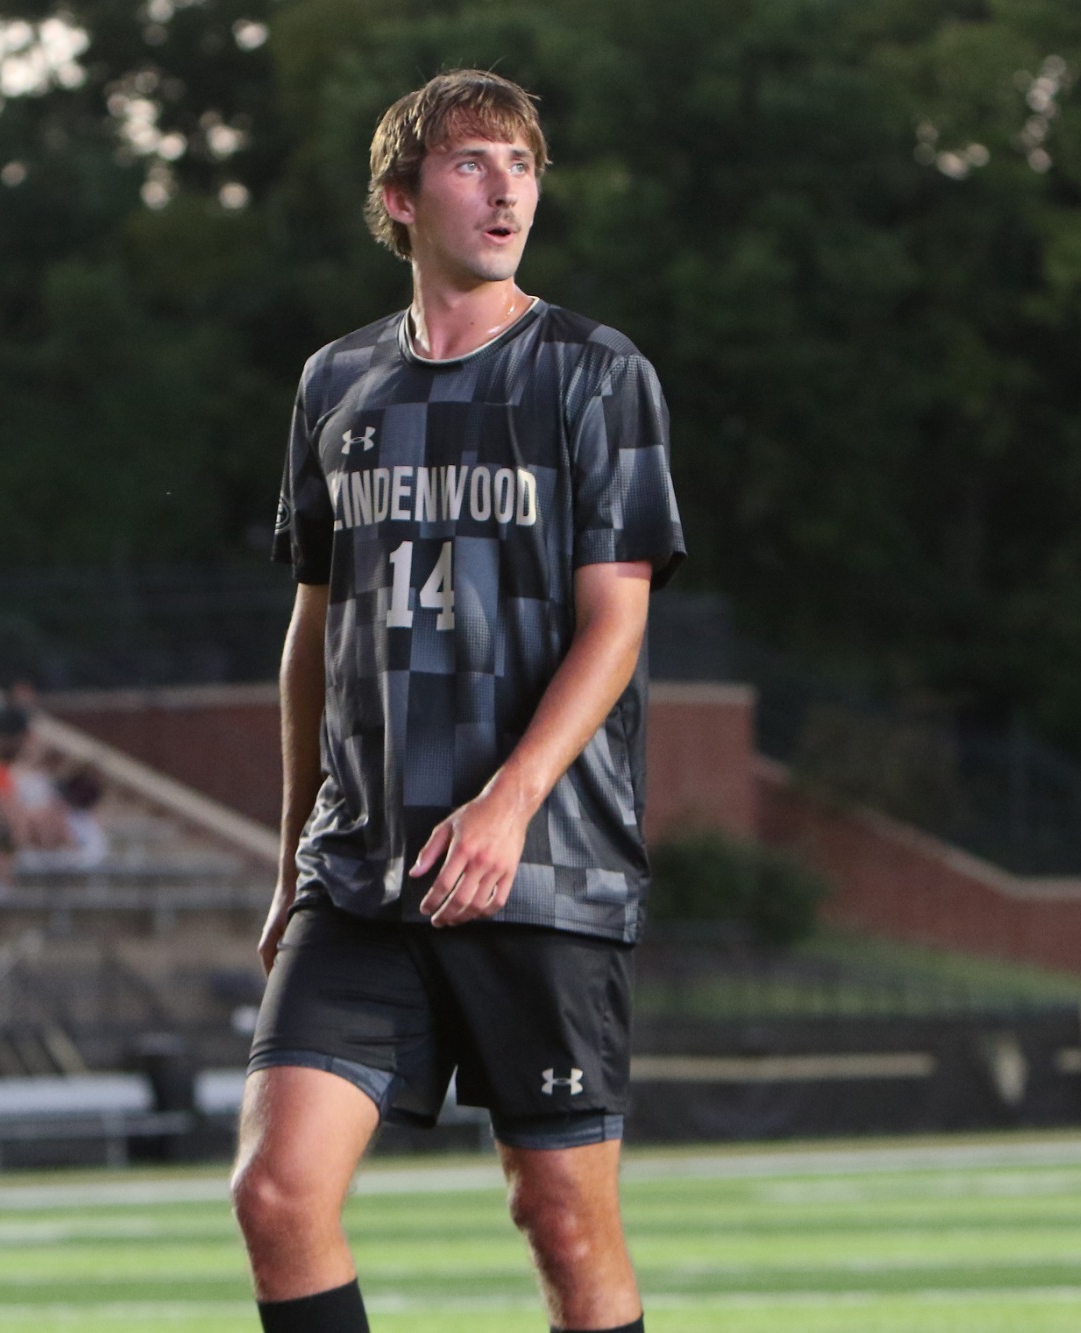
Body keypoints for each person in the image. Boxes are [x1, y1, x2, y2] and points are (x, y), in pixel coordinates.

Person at [232, 71, 685, 1333]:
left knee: (560, 1224)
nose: (504, 189)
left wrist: (507, 803)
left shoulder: (596, 373)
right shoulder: (334, 384)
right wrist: (291, 863)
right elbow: (311, 632)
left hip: (542, 869)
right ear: (399, 196)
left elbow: (617, 619)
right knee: (276, 1194)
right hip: (362, 871)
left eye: (522, 165)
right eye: (472, 162)